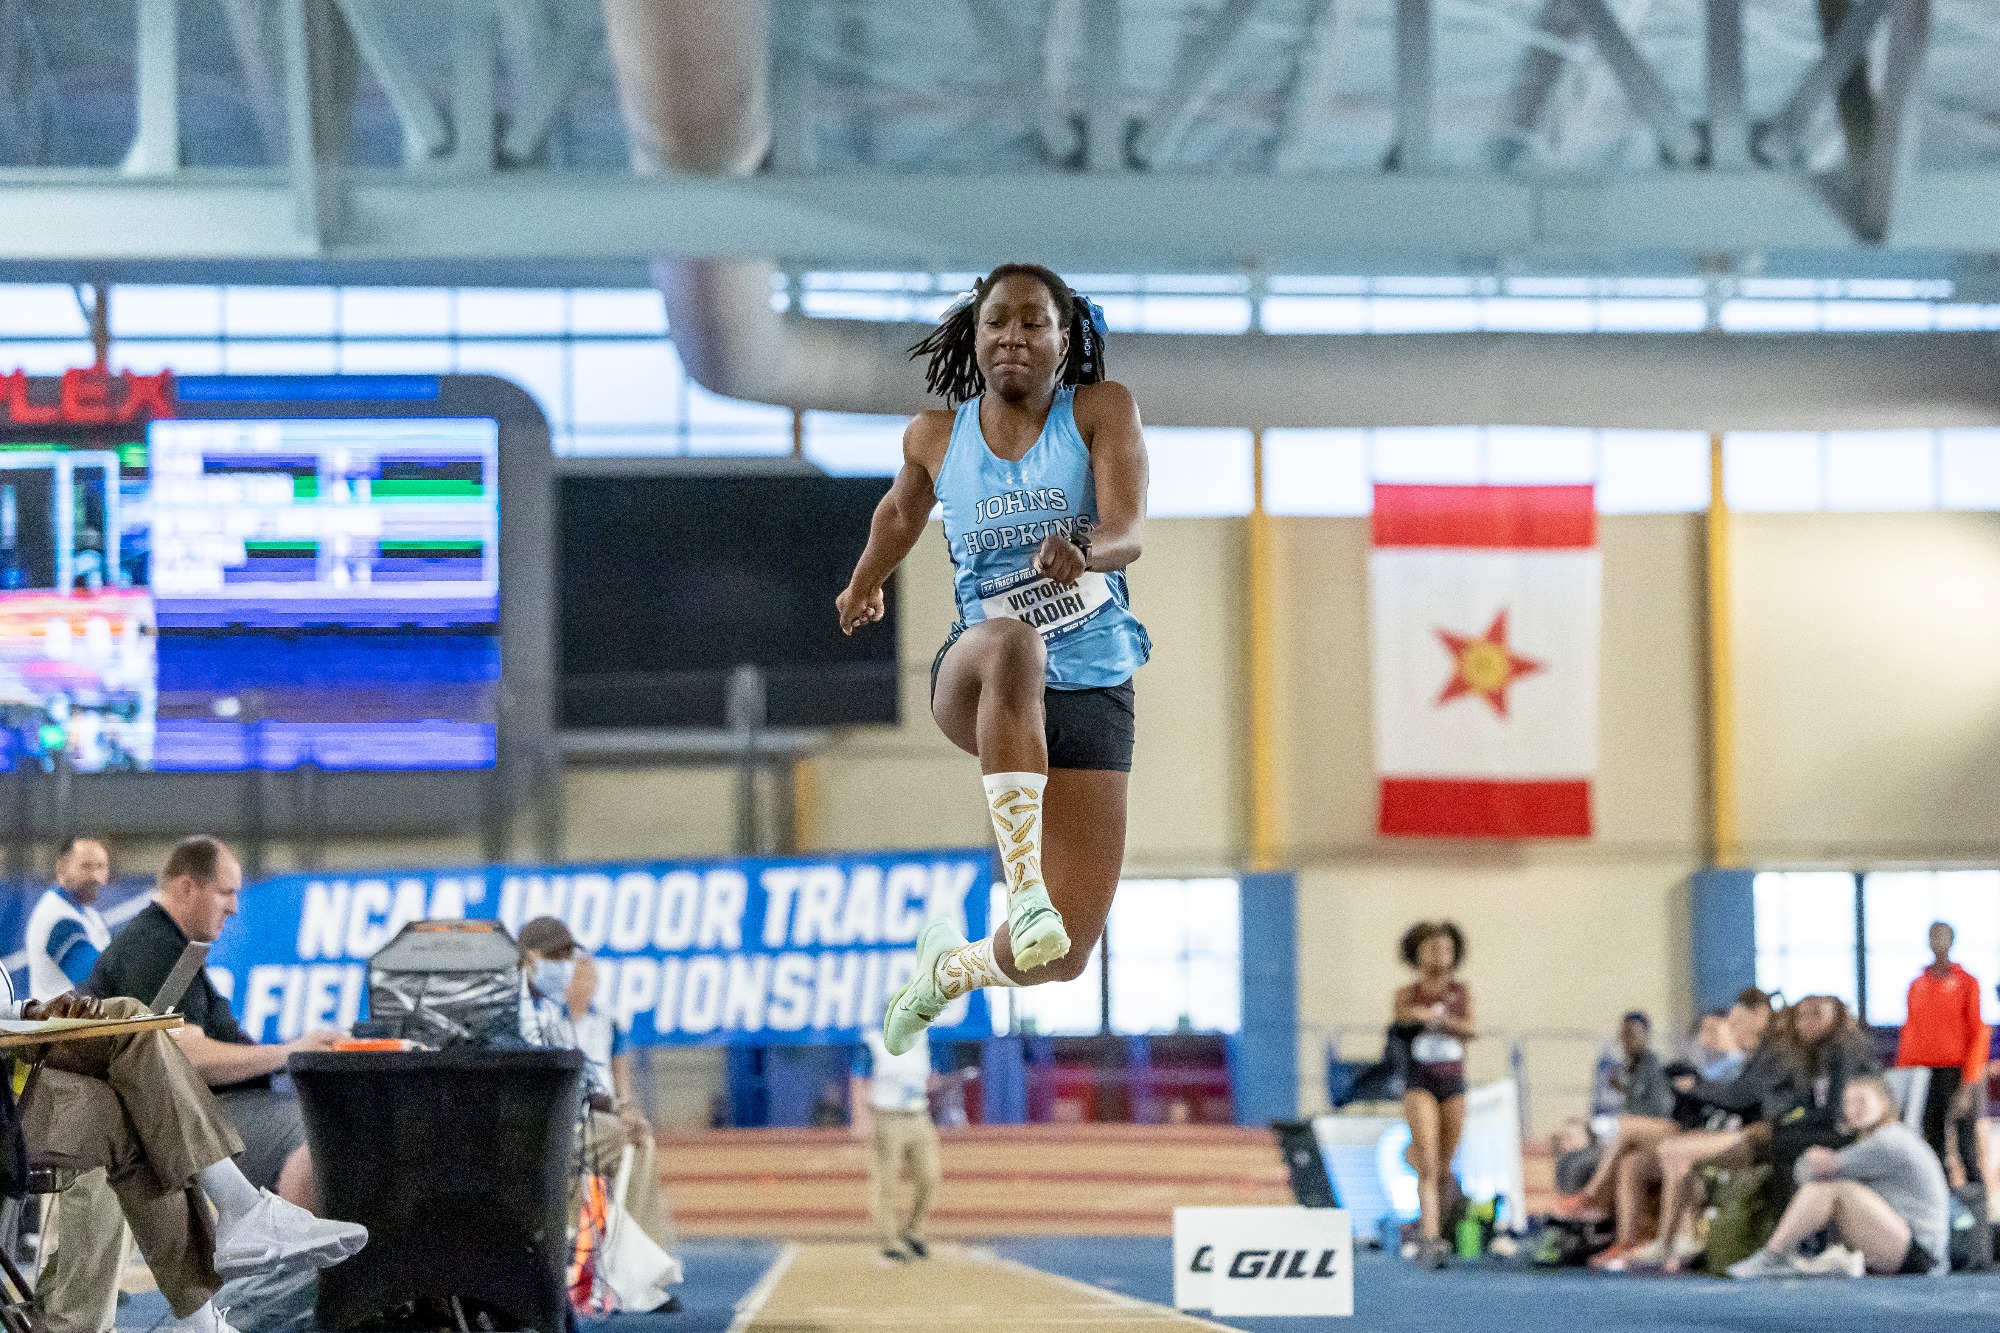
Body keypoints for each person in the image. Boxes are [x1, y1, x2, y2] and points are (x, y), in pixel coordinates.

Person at [833, 263, 1151, 1057]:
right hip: (980, 674)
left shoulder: (1101, 412)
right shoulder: (937, 434)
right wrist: (864, 583)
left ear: (1064, 338)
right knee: (1016, 642)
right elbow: (901, 511)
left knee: (1066, 957)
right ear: (975, 338)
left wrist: (1084, 547)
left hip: (1095, 687)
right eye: (997, 321)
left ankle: (947, 970)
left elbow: (1129, 527)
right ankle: (1025, 886)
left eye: (1033, 322)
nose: (1013, 335)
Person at [6, 976, 366, 1333]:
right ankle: (212, 1288)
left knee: (132, 1021)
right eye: (226, 909)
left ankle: (236, 1224)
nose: (232, 913)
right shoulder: (132, 940)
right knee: (137, 1104)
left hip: (13, 1061)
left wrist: (27, 1009)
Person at [87, 835, 337, 1208]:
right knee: (318, 1132)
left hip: (207, 1112)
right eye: (226, 893)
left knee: (327, 1118)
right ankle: (295, 1261)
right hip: (195, 1120)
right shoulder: (153, 947)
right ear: (187, 887)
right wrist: (291, 1052)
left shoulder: (176, 949)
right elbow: (190, 1059)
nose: (234, 907)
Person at [516, 916, 670, 1249]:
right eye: (556, 959)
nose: (566, 969)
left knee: (634, 1137)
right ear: (529, 958)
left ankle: (634, 1261)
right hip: (528, 1130)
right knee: (623, 1142)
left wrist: (620, 1108)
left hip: (555, 1122)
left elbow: (581, 1083)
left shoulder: (546, 1010)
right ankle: (598, 1263)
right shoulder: (520, 1009)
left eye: (568, 959)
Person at [25, 837, 127, 1333]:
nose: (98, 876)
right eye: (87, 865)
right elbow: (99, 982)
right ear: (61, 865)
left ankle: (64, 1309)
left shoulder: (84, 914)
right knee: (100, 1167)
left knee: (102, 1174)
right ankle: (75, 1318)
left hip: (67, 1067)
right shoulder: (59, 918)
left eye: (104, 867)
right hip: (57, 1071)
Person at [1729, 1074, 1950, 1278]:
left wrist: (1817, 1161)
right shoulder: (1882, 1138)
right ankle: (1813, 1256)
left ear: (1884, 1102)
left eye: (1861, 1101)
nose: (1854, 1109)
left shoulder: (1889, 1140)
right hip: (1908, 1245)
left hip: (1920, 1254)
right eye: (1848, 1103)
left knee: (1832, 1192)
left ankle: (1772, 1257)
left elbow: (1814, 1170)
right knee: (1830, 1189)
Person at [1392, 921, 1475, 1269]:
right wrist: (1423, 1015)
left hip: (1453, 1083)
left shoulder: (1461, 992)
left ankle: (1442, 1228)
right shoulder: (1407, 994)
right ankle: (1429, 1237)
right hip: (1420, 1082)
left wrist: (1444, 1022)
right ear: (1417, 954)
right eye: (1431, 949)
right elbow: (1401, 1018)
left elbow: (1472, 1029)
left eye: (1445, 949)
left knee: (1444, 1163)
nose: (1439, 955)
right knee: (1427, 1161)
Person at [1894, 921, 1988, 1186]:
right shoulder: (1917, 986)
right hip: (1924, 1074)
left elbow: (1978, 1034)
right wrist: (1904, 1076)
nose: (1938, 941)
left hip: (1957, 1073)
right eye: (1933, 936)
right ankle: (1940, 1205)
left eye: (1943, 936)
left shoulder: (1967, 984)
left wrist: (1968, 1083)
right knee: (1932, 1147)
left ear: (1952, 940)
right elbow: (1910, 1033)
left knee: (1966, 1147)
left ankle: (1975, 1212)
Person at [852, 1027, 940, 1264]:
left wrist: (935, 1086)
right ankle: (888, 1239)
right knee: (886, 1180)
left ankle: (912, 1229)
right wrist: (861, 1120)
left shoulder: (922, 1039)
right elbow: (859, 1081)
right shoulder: (873, 1042)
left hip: (918, 1115)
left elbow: (932, 1077)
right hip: (887, 1116)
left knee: (929, 1176)